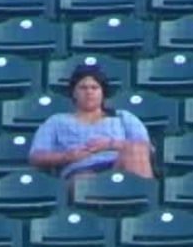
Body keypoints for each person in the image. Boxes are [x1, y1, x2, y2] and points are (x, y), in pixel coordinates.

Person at [28, 63, 154, 199]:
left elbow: (146, 148)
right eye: (83, 88)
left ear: (102, 92)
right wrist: (66, 156)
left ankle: (144, 201)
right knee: (85, 180)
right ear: (74, 93)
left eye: (94, 87)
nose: (89, 92)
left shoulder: (123, 117)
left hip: (119, 167)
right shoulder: (56, 121)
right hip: (82, 171)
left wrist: (111, 144)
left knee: (136, 149)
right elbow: (36, 156)